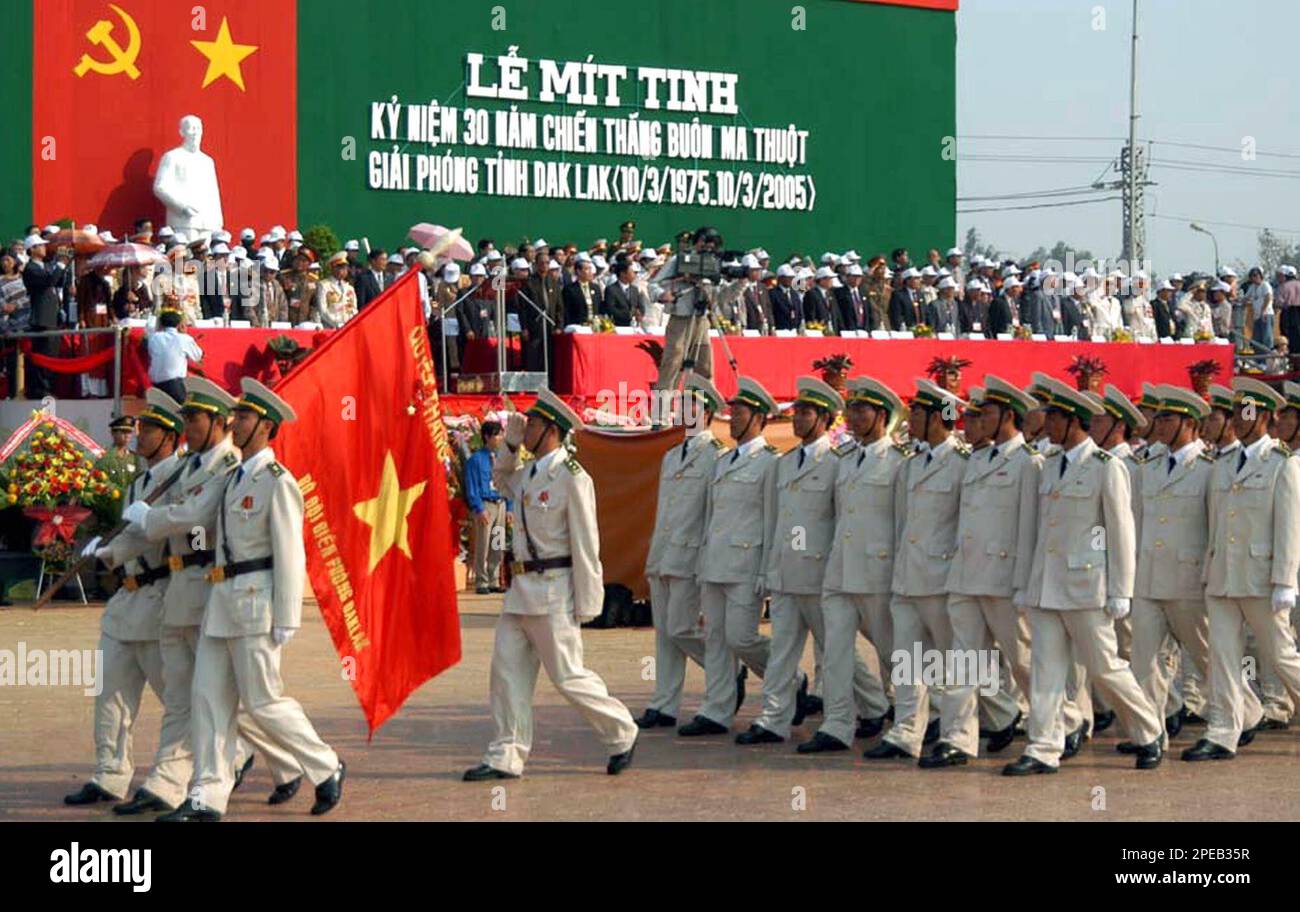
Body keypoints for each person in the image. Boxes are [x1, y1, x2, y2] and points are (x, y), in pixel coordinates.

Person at [156, 378, 345, 820]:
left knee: (263, 703)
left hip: (256, 603)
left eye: (244, 416)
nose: (235, 422)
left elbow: (290, 551)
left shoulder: (277, 482)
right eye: (236, 415)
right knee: (207, 702)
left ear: (266, 426)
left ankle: (325, 764)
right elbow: (200, 520)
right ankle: (207, 795)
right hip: (221, 602)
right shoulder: (232, 474)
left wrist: (287, 614)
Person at [112, 377, 303, 815]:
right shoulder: (193, 466)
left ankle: (224, 774)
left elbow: (195, 521)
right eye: (185, 418)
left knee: (223, 696)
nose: (188, 426)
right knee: (198, 696)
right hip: (187, 590)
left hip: (214, 589)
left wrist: (154, 520)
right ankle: (264, 763)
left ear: (216, 422)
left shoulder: (231, 467)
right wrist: (114, 549)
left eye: (193, 418)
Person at [463, 388, 639, 779]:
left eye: (534, 425)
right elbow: (501, 477)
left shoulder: (572, 478)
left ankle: (622, 732)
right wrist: (509, 443)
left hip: (554, 590)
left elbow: (586, 542)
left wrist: (589, 602)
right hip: (520, 593)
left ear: (552, 430)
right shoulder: (527, 474)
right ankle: (505, 754)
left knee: (568, 677)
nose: (526, 431)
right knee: (506, 675)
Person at [1002, 376, 1164, 775]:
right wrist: (1024, 582)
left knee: (1105, 667)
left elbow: (1119, 533)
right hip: (1046, 586)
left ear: (1075, 423)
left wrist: (1120, 590)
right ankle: (1042, 747)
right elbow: (1032, 530)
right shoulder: (1047, 466)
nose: (1047, 425)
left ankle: (1148, 731)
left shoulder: (1105, 468)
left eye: (1055, 418)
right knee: (1046, 671)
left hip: (1087, 587)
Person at [738, 378, 889, 746]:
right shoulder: (785, 463)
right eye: (796, 413)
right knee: (782, 654)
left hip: (822, 571)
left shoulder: (838, 463)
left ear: (825, 419)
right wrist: (770, 567)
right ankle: (774, 718)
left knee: (837, 651)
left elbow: (843, 520)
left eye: (807, 414)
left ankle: (873, 705)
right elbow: (777, 521)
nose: (798, 421)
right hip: (788, 572)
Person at [65, 389, 182, 808]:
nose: (139, 434)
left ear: (170, 437)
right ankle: (110, 774)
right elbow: (129, 537)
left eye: (149, 429)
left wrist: (121, 546)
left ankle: (226, 758)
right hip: (127, 600)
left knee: (176, 697)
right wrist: (103, 552)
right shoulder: (138, 482)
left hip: (162, 597)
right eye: (140, 426)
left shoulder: (181, 477)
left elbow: (173, 533)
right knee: (110, 694)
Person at [923, 375, 1045, 767]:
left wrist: (1025, 583)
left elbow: (1029, 529)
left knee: (1023, 661)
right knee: (963, 661)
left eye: (987, 413)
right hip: (966, 576)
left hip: (1005, 581)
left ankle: (1061, 724)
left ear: (1008, 415)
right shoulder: (976, 459)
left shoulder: (1029, 463)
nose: (977, 419)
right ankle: (957, 739)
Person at [801, 377, 909, 753]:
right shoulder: (845, 460)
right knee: (835, 651)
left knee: (893, 652)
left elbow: (903, 522)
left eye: (863, 410)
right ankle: (837, 725)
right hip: (840, 570)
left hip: (878, 572)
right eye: (852, 409)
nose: (854, 416)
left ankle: (927, 715)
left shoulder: (898, 463)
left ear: (883, 415)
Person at [1194, 378, 1300, 759]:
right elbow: (1214, 521)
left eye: (1249, 413)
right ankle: (1223, 732)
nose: (1240, 420)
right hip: (1223, 576)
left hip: (1260, 578)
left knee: (1281, 656)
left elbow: (1288, 526)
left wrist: (1284, 582)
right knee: (1222, 659)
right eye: (1237, 412)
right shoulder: (1223, 463)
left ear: (1267, 417)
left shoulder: (1282, 463)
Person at [678, 377, 780, 737]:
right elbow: (712, 517)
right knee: (717, 641)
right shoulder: (722, 462)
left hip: (746, 565)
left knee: (742, 637)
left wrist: (767, 570)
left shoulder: (770, 463)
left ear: (759, 418)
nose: (732, 418)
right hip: (715, 563)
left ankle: (790, 679)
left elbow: (772, 519)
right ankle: (717, 710)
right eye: (732, 411)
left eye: (741, 412)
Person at [636, 378, 727, 730]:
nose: (686, 413)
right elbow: (665, 509)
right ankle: (664, 703)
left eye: (694, 408)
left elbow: (711, 512)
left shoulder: (716, 455)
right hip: (663, 553)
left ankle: (724, 672)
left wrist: (706, 556)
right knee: (665, 634)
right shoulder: (672, 455)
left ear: (708, 414)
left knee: (681, 628)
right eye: (683, 407)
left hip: (691, 556)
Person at [652, 227, 719, 393]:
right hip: (681, 318)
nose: (708, 247)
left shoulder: (712, 261)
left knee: (705, 364)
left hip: (701, 319)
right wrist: (662, 294)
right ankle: (662, 410)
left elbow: (719, 289)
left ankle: (702, 407)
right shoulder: (679, 260)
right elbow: (653, 284)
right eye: (705, 243)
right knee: (673, 362)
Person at [464, 420, 510, 595]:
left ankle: (494, 579)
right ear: (487, 437)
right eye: (497, 434)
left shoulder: (502, 459)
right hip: (486, 505)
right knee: (483, 544)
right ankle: (481, 581)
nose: (500, 438)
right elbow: (471, 487)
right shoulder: (475, 460)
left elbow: (507, 483)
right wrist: (478, 508)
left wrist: (510, 507)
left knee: (497, 543)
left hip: (500, 504)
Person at [20, 234, 69, 398]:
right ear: (32, 249)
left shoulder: (46, 266)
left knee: (52, 354)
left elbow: (58, 281)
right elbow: (48, 281)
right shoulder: (31, 269)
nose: (44, 248)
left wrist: (65, 265)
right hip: (41, 318)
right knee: (44, 355)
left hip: (52, 316)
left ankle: (48, 388)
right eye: (40, 245)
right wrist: (60, 264)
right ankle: (40, 390)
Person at [145, 308, 202, 403]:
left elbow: (149, 329)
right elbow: (197, 356)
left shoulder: (153, 337)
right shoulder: (184, 338)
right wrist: (185, 334)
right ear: (179, 324)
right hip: (174, 384)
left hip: (155, 384)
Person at [601, 257, 646, 327]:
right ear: (623, 274)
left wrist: (640, 313)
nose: (634, 275)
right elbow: (611, 309)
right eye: (632, 272)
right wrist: (629, 315)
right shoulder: (611, 289)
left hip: (633, 326)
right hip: (617, 326)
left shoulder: (634, 289)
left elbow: (640, 306)